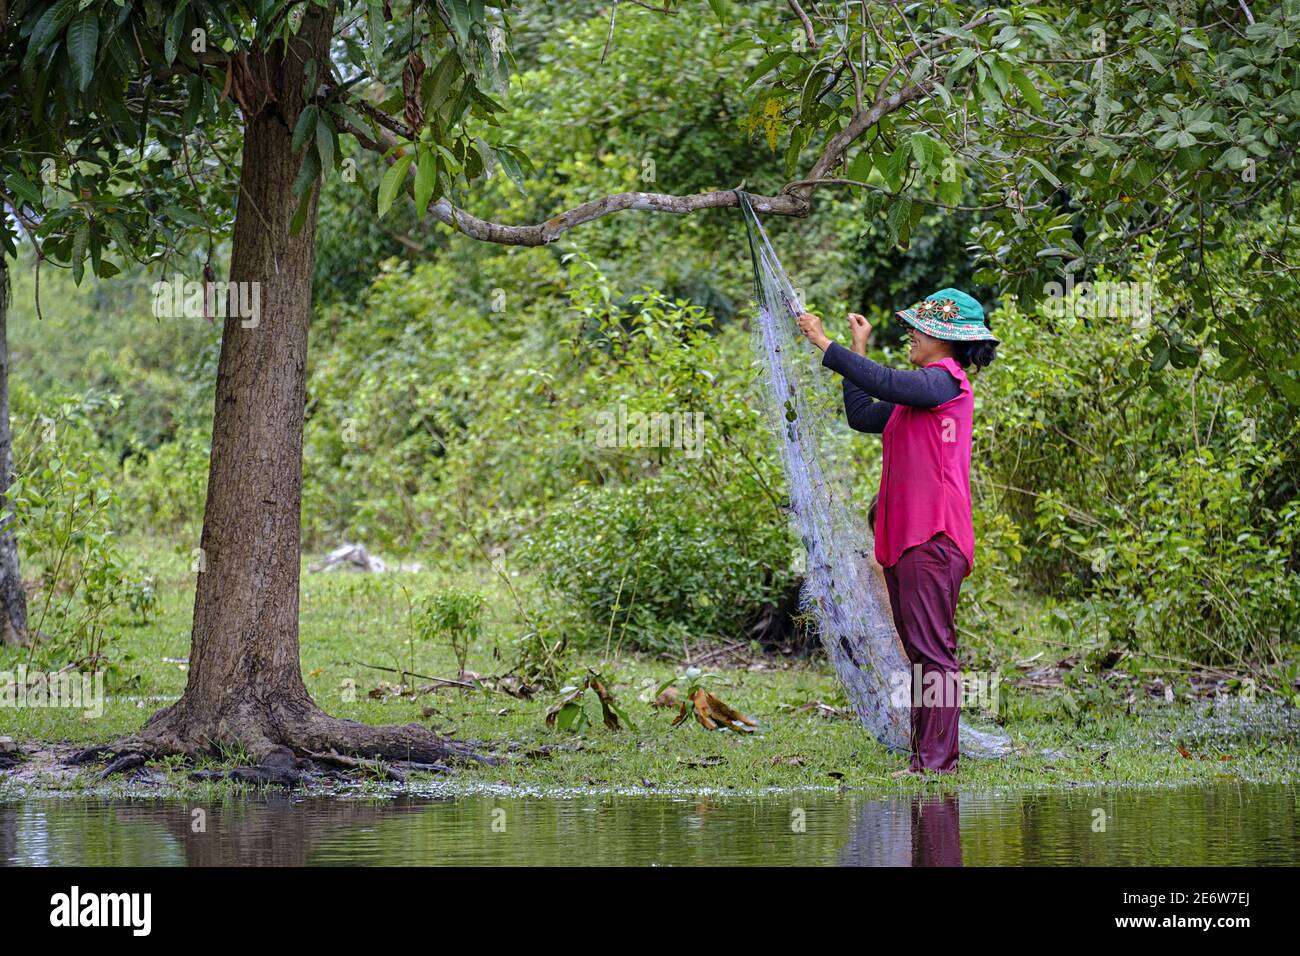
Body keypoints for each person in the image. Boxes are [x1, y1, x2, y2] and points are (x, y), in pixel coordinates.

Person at [795, 289, 998, 774]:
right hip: (908, 539)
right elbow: (862, 413)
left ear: (944, 340)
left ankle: (937, 763)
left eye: (920, 329)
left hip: (934, 537)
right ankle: (925, 758)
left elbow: (888, 382)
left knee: (933, 653)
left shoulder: (945, 384)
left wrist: (825, 343)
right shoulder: (918, 402)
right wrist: (855, 348)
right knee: (920, 653)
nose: (911, 334)